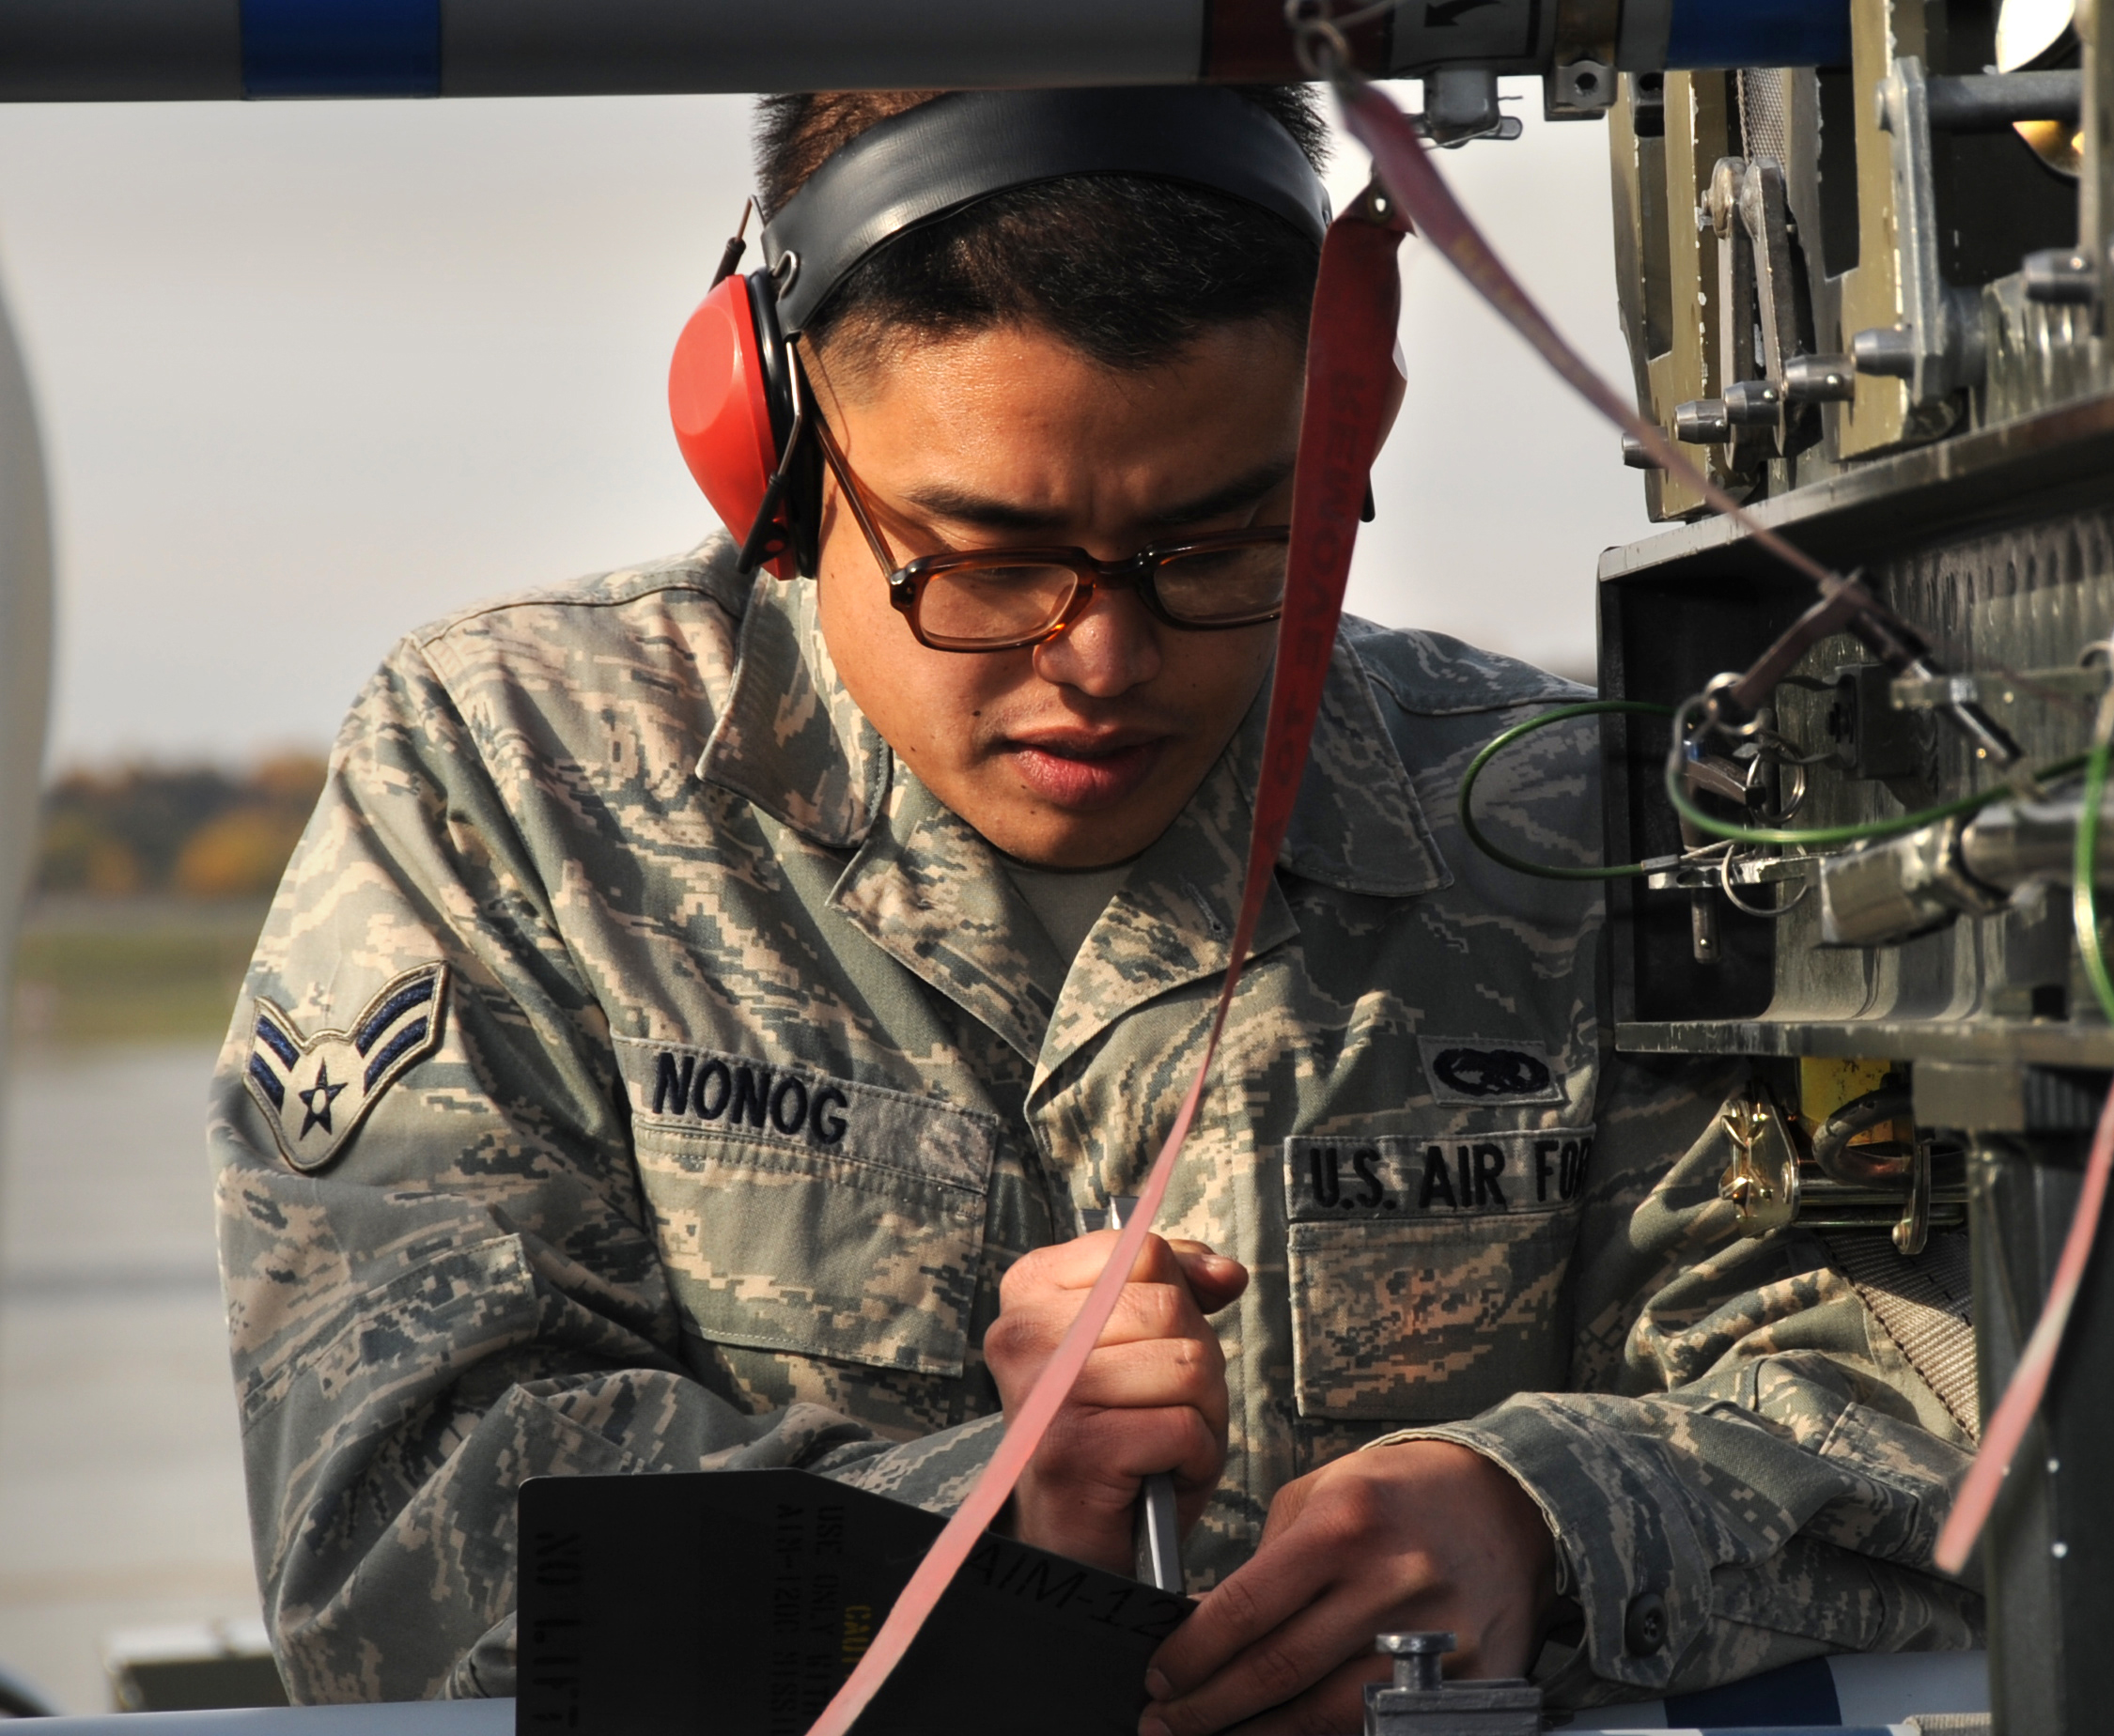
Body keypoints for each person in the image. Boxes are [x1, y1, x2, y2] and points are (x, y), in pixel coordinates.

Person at [210, 83, 1982, 1733]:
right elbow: (390, 1550)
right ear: (775, 451)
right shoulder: (522, 780)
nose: (1105, 665)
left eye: (1220, 551)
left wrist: (1550, 1516)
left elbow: (1940, 1384)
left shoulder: (1536, 824)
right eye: (986, 563)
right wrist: (977, 1519)